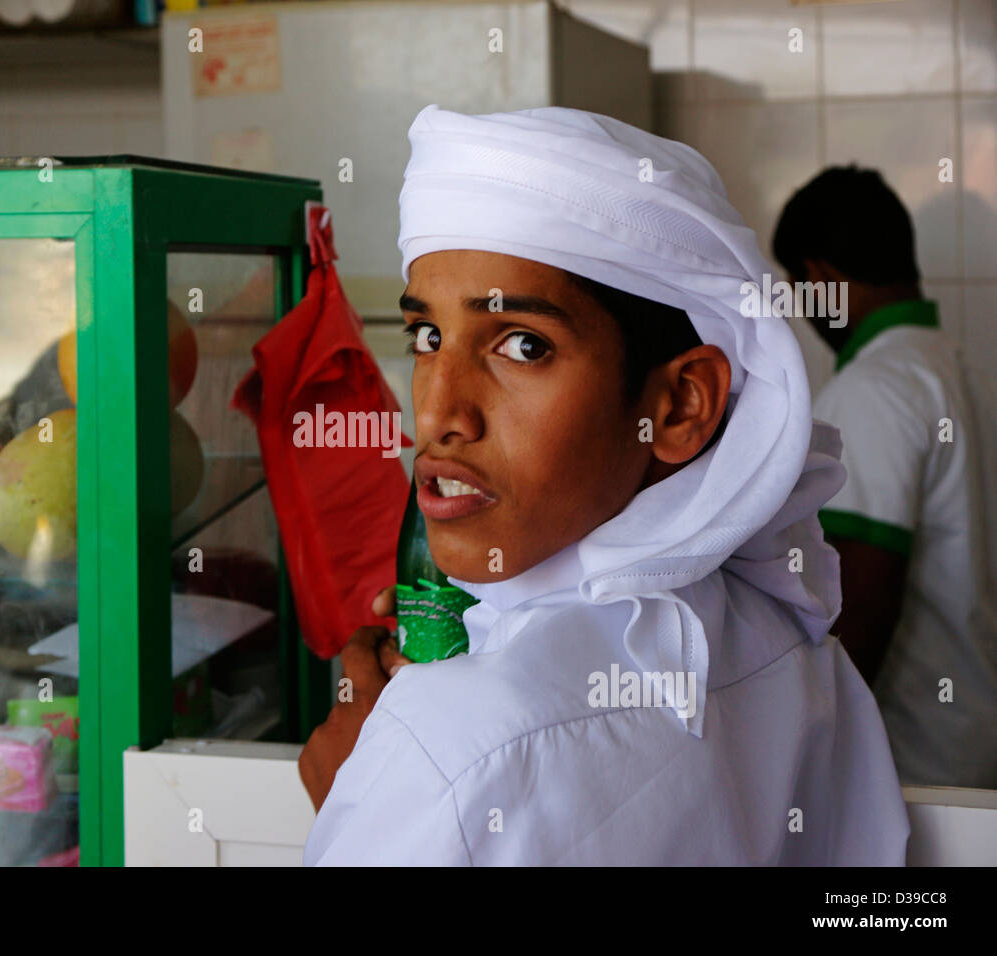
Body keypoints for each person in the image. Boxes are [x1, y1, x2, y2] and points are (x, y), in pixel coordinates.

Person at [297, 104, 909, 865]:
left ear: (680, 405)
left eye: (522, 345)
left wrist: (362, 793)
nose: (436, 412)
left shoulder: (447, 753)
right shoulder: (794, 647)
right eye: (427, 337)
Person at [773, 167, 997, 789]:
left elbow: (861, 601)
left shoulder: (873, 392)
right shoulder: (964, 374)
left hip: (913, 761)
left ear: (820, 278)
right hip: (974, 741)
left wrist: (808, 757)